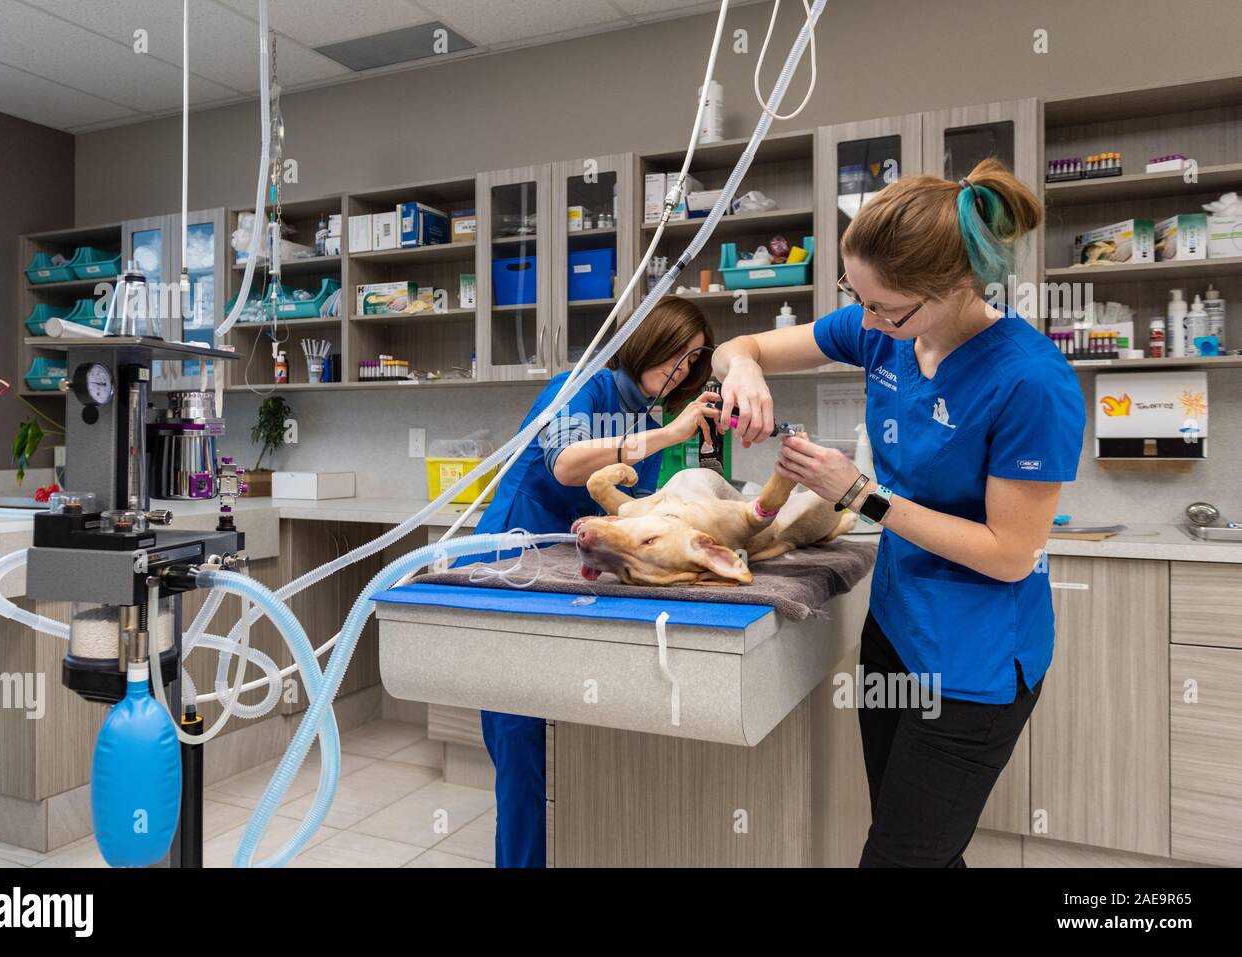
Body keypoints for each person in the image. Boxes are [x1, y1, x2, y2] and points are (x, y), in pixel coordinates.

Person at [712, 157, 1086, 867]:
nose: (871, 323)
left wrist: (858, 493)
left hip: (974, 665)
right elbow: (741, 344)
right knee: (922, 851)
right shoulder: (885, 332)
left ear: (957, 285)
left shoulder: (1031, 382)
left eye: (888, 307)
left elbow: (1011, 552)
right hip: (895, 635)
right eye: (860, 299)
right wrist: (747, 370)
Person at [461, 295, 720, 867]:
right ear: (645, 342)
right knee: (519, 734)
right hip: (515, 560)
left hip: (574, 571)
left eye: (694, 359)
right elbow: (567, 464)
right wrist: (668, 434)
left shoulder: (651, 422)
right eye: (674, 354)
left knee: (579, 730)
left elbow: (629, 512)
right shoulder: (578, 386)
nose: (681, 370)